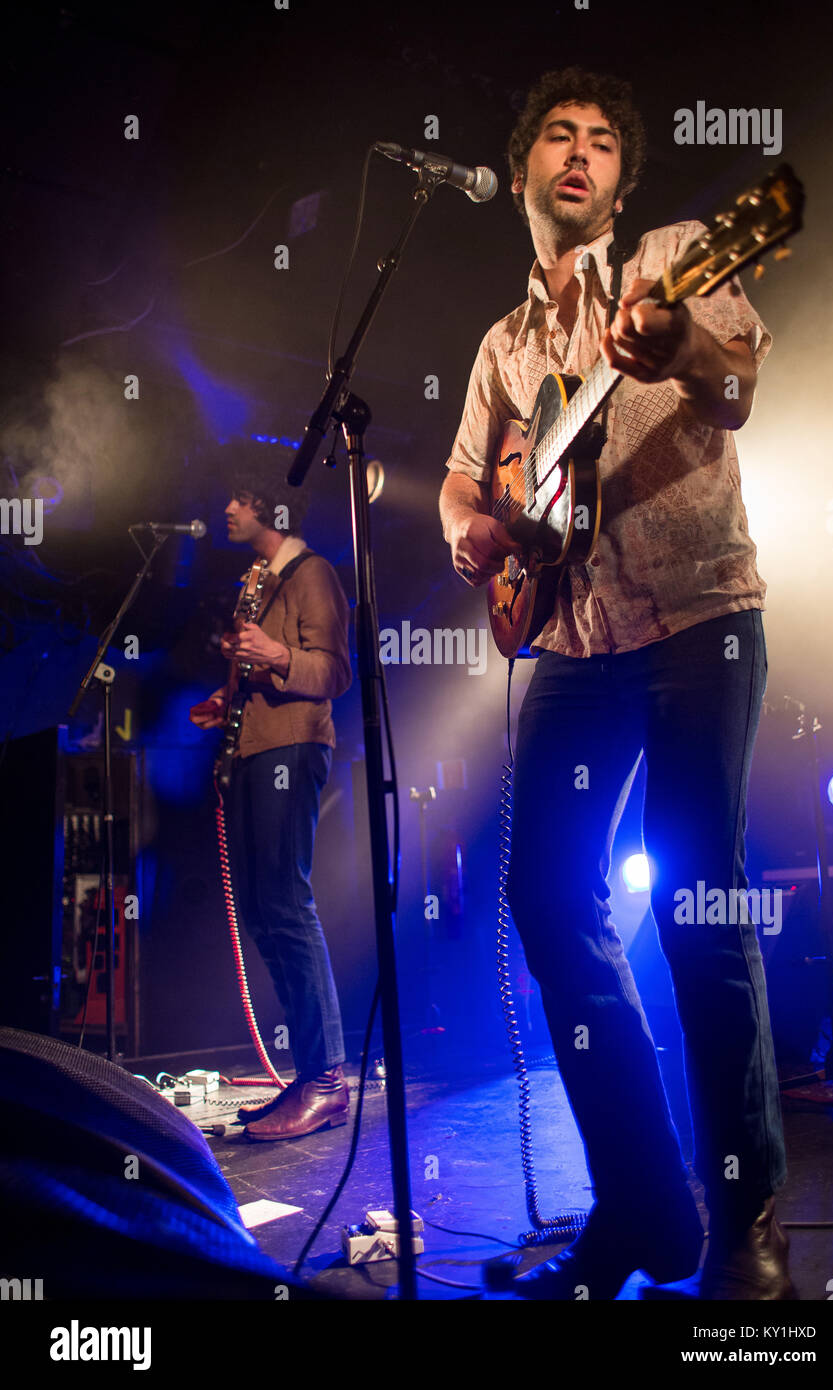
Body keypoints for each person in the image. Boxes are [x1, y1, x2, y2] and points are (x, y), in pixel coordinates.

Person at [438, 66, 795, 1300]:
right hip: (573, 640)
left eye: (601, 140)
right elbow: (462, 494)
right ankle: (646, 1205)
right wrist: (482, 536)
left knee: (700, 901)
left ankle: (744, 1221)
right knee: (544, 896)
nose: (579, 152)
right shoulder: (500, 348)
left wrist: (680, 339)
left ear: (621, 180)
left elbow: (736, 385)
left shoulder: (679, 254)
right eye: (557, 134)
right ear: (526, 170)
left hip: (700, 614)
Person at [190, 451, 352, 1140]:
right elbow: (262, 670)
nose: (227, 510)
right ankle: (308, 1076)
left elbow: (336, 672)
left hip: (292, 749)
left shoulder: (311, 574)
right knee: (263, 909)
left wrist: (278, 656)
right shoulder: (254, 579)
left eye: (239, 500)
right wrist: (229, 696)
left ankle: (325, 1080)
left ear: (269, 508)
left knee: (286, 903)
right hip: (256, 749)